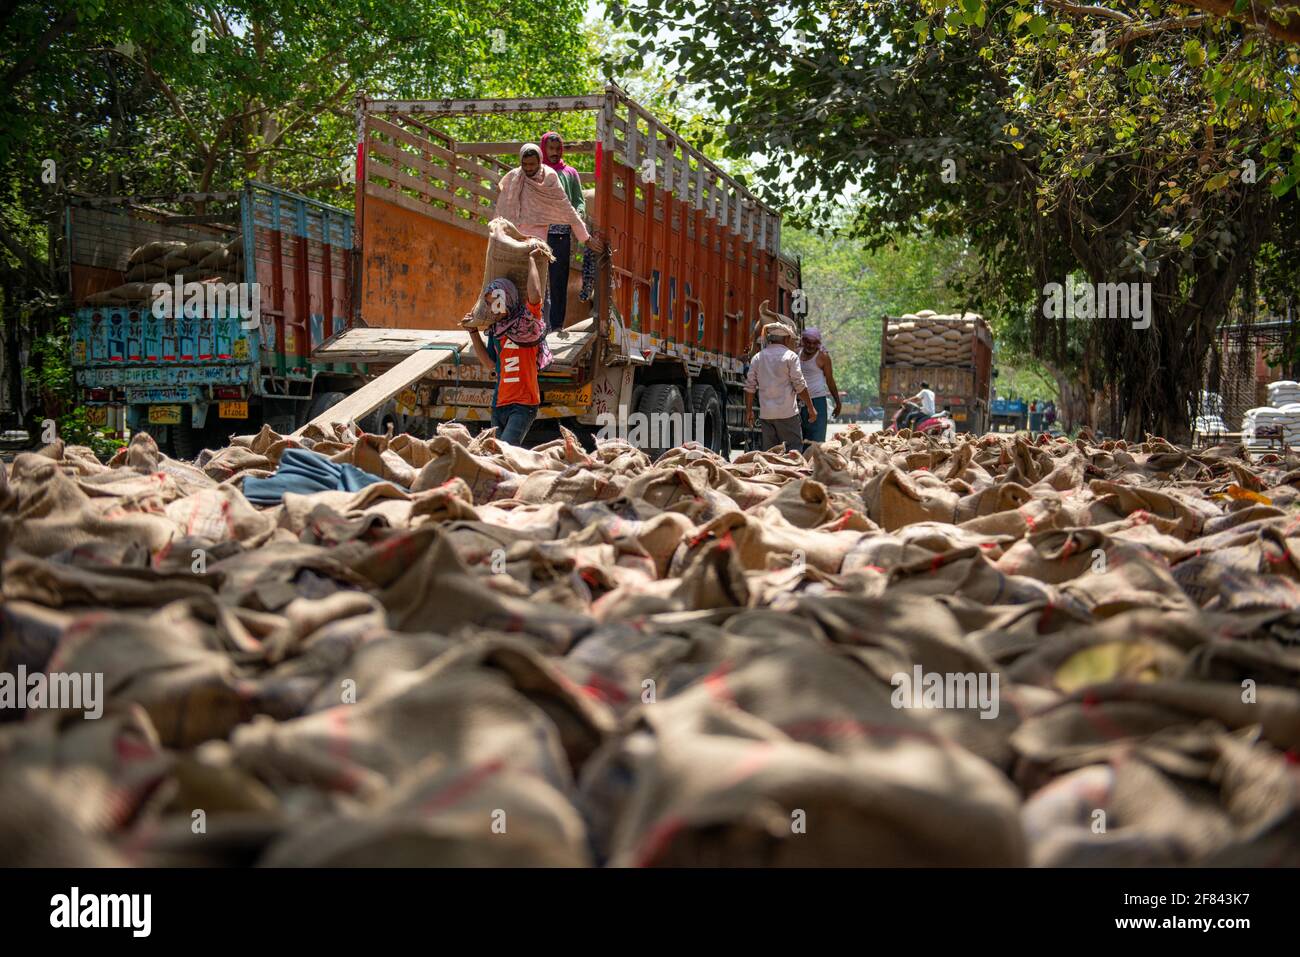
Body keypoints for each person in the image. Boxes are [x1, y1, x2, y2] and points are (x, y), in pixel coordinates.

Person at [495, 143, 603, 333]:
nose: (528, 168)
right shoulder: (514, 177)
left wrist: (586, 238)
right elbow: (502, 207)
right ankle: (515, 325)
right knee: (517, 281)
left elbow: (566, 209)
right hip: (517, 239)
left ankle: (541, 327)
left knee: (540, 285)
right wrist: (498, 231)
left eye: (532, 164)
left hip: (540, 241)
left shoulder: (550, 178)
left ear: (540, 161)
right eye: (525, 164)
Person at [466, 273, 553, 447]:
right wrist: (473, 332)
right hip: (499, 404)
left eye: (496, 302)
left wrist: (531, 260)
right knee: (495, 454)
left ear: (508, 299)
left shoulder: (528, 324)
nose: (493, 308)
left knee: (505, 451)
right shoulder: (496, 331)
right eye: (489, 304)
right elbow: (490, 363)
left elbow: (535, 295)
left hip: (523, 405)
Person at [744, 322, 816, 454]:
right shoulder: (791, 357)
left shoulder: (757, 358)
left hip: (766, 415)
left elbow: (750, 387)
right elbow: (799, 385)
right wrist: (811, 408)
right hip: (787, 413)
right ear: (786, 339)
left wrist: (749, 411)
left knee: (770, 454)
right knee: (793, 453)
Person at [797, 327, 840, 446]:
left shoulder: (823, 357)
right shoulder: (796, 354)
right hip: (798, 402)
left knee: (817, 441)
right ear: (803, 341)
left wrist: (838, 402)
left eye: (814, 343)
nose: (811, 346)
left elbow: (830, 381)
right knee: (799, 441)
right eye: (808, 342)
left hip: (817, 401)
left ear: (818, 343)